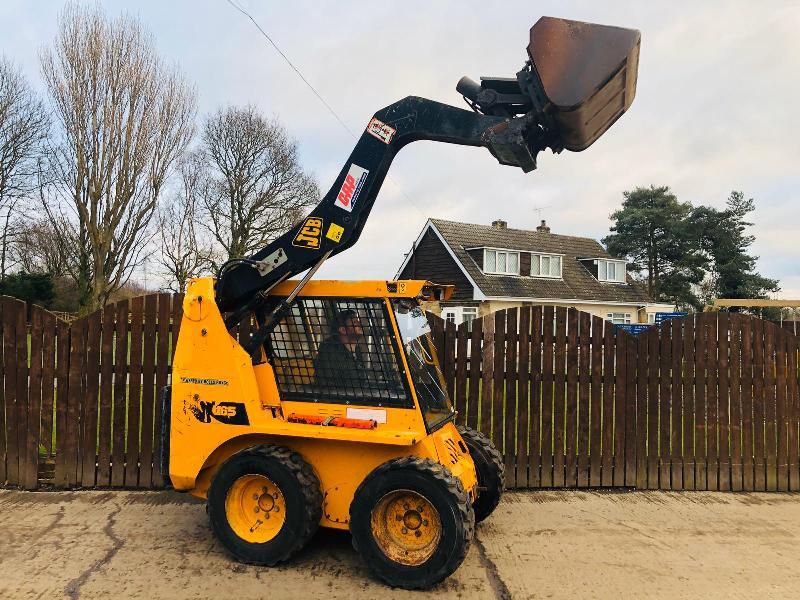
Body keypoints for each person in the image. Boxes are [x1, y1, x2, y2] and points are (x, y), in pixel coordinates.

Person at [314, 309, 366, 389]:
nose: (360, 324)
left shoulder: (357, 350)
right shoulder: (329, 350)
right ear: (343, 330)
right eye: (355, 322)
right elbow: (327, 384)